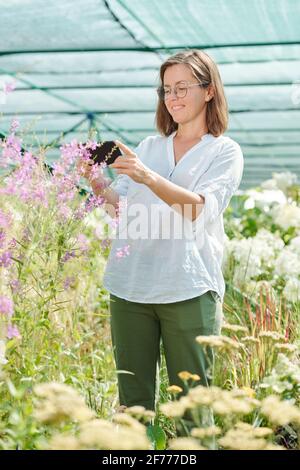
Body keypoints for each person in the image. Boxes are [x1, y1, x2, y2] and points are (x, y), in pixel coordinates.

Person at [78, 49, 244, 436]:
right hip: (130, 287)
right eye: (167, 89)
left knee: (192, 410)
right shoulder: (149, 146)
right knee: (132, 408)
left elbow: (200, 209)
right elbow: (125, 210)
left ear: (208, 91)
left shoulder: (223, 152)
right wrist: (95, 180)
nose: (173, 97)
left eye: (183, 87)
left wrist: (148, 177)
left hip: (188, 288)